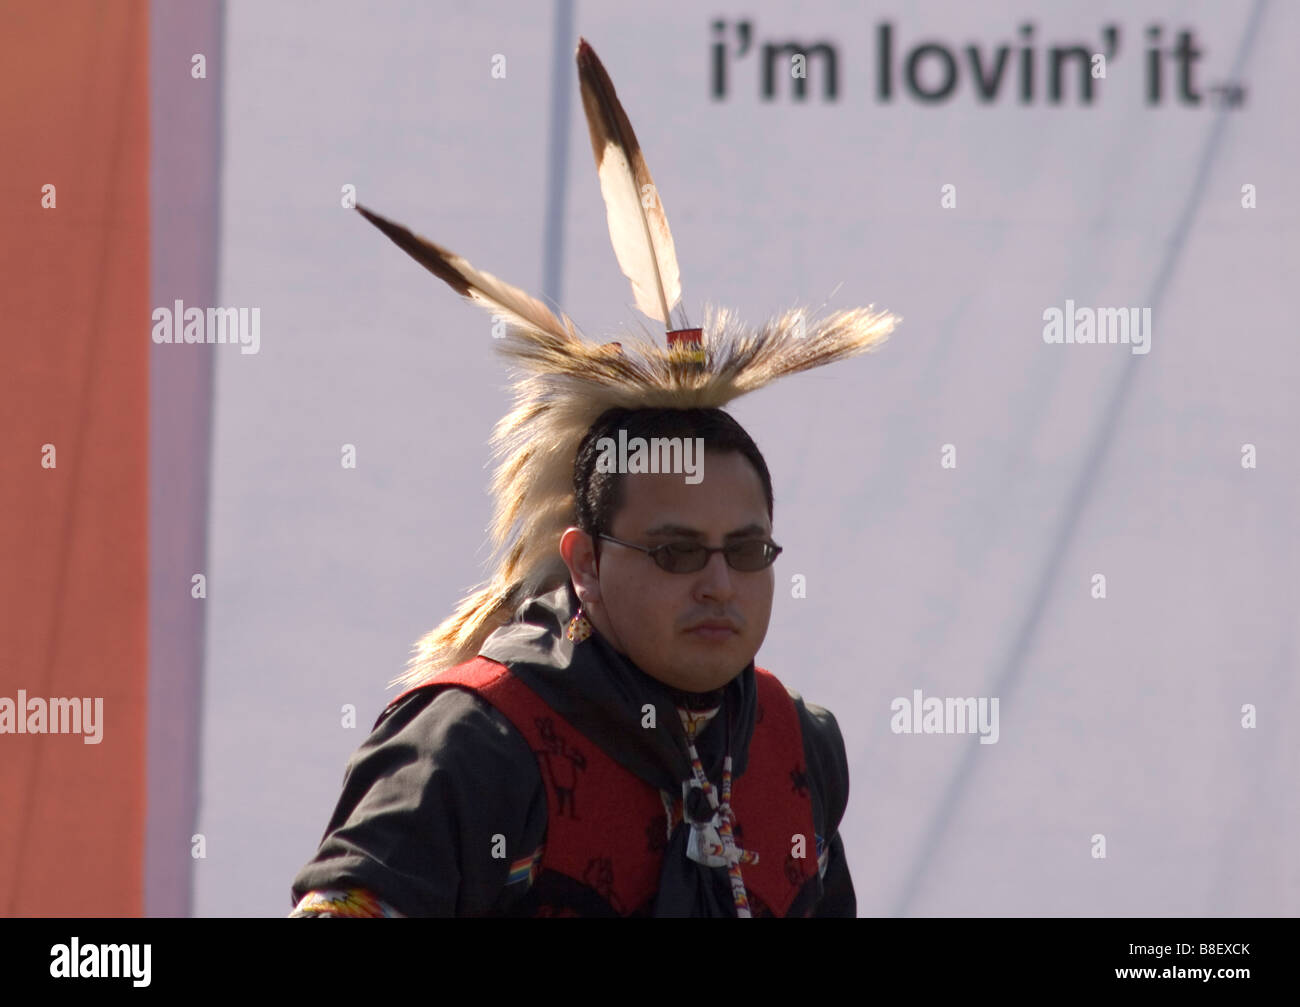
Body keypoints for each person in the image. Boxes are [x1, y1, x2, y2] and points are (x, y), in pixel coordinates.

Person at [289, 37, 895, 917]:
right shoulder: (474, 740)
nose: (720, 582)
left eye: (747, 548)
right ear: (584, 564)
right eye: (676, 551)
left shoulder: (794, 747)